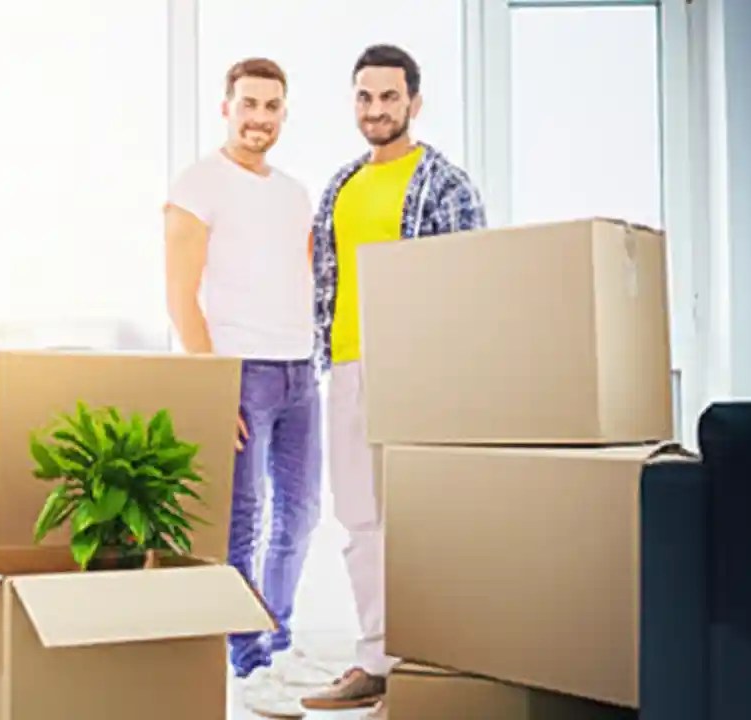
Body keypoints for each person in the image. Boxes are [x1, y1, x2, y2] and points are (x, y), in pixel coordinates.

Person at [300, 44, 488, 717]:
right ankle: (377, 661)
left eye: (388, 96)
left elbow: (470, 283)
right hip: (345, 368)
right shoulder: (341, 186)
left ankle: (428, 668)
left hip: (415, 370)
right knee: (359, 522)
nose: (376, 109)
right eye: (364, 97)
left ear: (414, 100)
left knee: (418, 521)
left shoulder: (444, 184)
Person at [164, 58, 322, 717]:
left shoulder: (293, 192)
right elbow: (179, 294)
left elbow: (304, 279)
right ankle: (248, 660)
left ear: (285, 114)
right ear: (226, 107)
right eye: (249, 104)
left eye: (273, 107)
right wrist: (211, 380)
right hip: (241, 373)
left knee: (302, 512)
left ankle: (278, 639)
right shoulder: (198, 184)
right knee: (244, 520)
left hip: (299, 370)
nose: (261, 117)